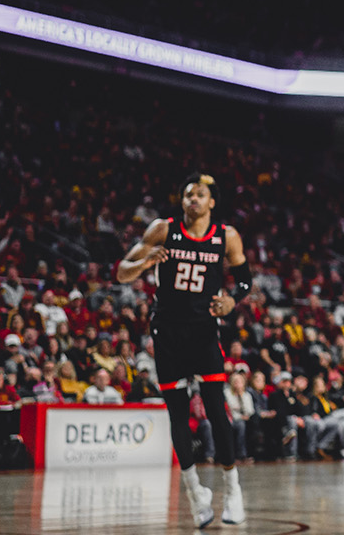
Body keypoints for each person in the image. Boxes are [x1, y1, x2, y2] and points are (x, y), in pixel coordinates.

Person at [115, 174, 255, 526]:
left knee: (216, 411)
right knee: (177, 416)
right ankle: (195, 494)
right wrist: (144, 264)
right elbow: (121, 272)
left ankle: (233, 490)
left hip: (203, 332)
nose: (193, 198)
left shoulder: (226, 236)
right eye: (188, 193)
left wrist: (232, 300)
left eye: (200, 194)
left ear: (211, 202)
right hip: (167, 333)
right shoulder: (163, 230)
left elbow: (245, 280)